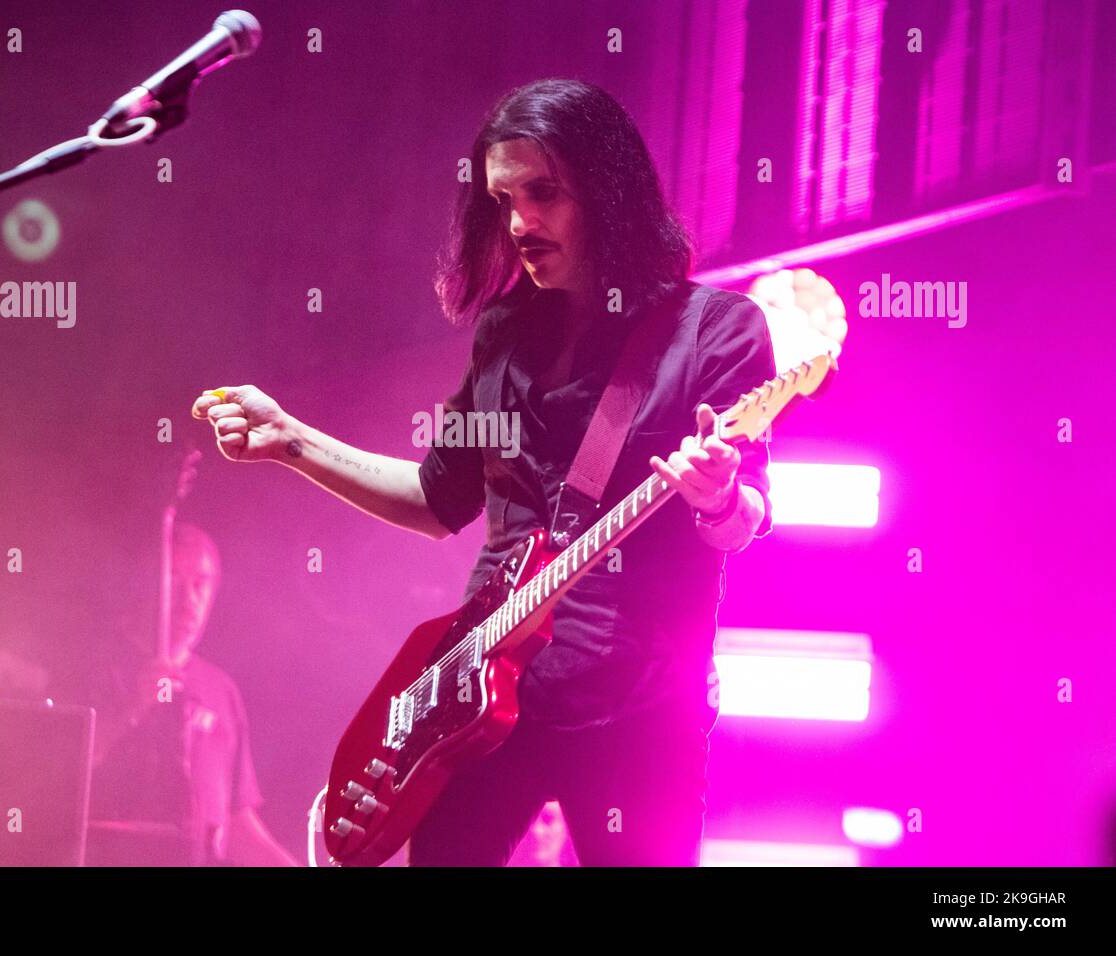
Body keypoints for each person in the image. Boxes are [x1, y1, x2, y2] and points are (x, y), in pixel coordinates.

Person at [191, 78, 775, 866]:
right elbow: (438, 500)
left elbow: (744, 521)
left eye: (544, 194)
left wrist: (719, 497)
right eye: (503, 200)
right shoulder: (505, 333)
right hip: (478, 695)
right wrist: (288, 439)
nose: (520, 224)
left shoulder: (712, 330)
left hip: (637, 709)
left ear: (609, 192)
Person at [87, 522, 297, 866]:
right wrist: (131, 710)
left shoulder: (220, 689)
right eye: (174, 581)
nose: (190, 600)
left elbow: (235, 824)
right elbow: (56, 777)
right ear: (146, 585)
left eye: (201, 583)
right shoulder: (97, 667)